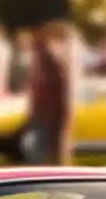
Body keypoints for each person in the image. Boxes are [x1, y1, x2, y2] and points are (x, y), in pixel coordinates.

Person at [30, 20, 76, 166]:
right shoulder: (49, 56)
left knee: (52, 147)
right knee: (50, 147)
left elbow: (61, 85)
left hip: (53, 109)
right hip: (48, 108)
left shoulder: (53, 57)